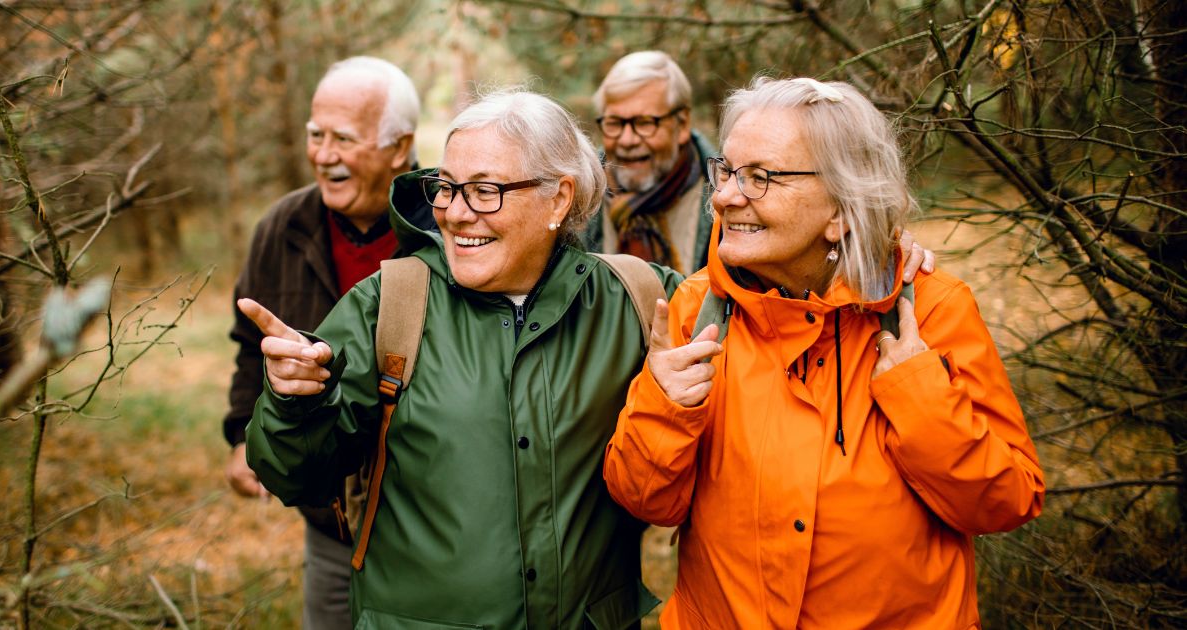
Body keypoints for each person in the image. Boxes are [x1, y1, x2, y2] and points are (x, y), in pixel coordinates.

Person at [602, 77, 1046, 628]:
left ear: (841, 207)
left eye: (760, 177)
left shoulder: (930, 311)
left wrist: (918, 396)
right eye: (727, 171)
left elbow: (1006, 501)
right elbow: (645, 502)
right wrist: (667, 409)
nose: (724, 195)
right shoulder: (697, 310)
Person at [239, 90, 679, 628]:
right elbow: (296, 478)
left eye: (485, 191)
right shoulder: (389, 304)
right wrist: (293, 402)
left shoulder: (636, 300)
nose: (455, 212)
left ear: (559, 199)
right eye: (446, 187)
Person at [222, 56, 424, 629]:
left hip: (429, 519)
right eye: (316, 135)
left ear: (399, 148)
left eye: (344, 139)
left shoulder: (449, 226)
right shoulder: (283, 227)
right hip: (329, 524)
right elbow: (248, 345)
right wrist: (242, 435)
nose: (324, 154)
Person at [583, 50, 718, 275]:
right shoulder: (578, 202)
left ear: (682, 124)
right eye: (614, 123)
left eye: (644, 123)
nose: (627, 140)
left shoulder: (725, 200)